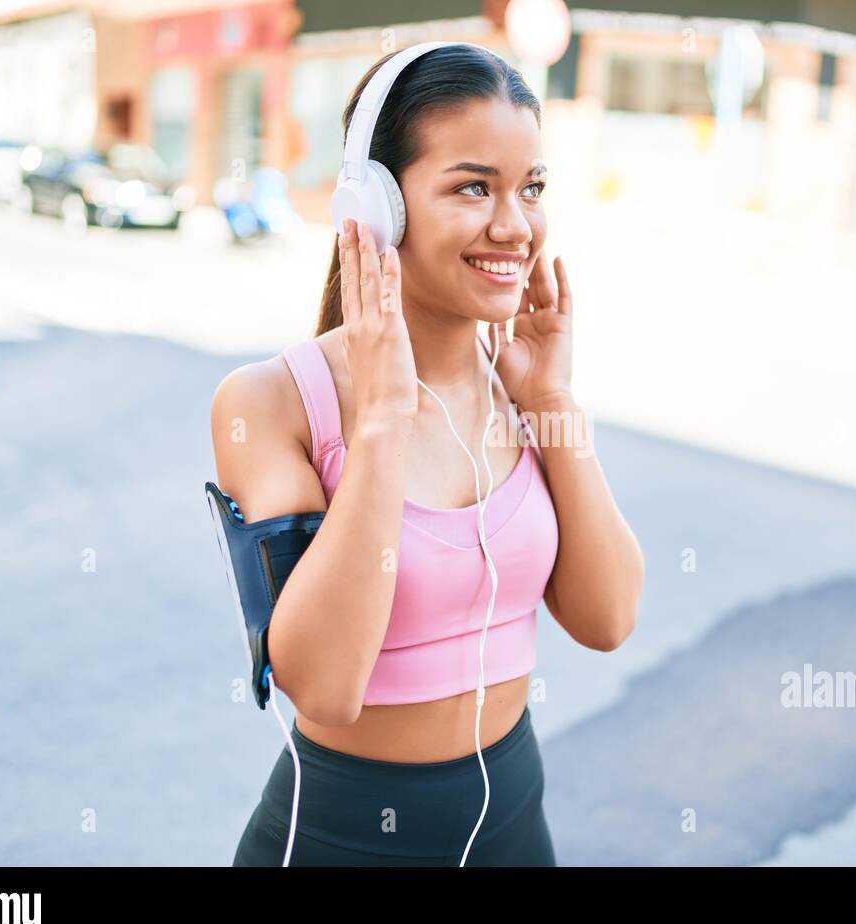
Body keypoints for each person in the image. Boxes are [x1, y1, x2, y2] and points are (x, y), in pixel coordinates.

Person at [211, 43, 644, 866]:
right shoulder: (270, 403)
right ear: (378, 206)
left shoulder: (520, 389)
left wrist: (552, 404)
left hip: (514, 816)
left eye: (533, 188)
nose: (515, 225)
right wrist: (379, 426)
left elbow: (608, 618)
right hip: (342, 834)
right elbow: (328, 688)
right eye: (473, 187)